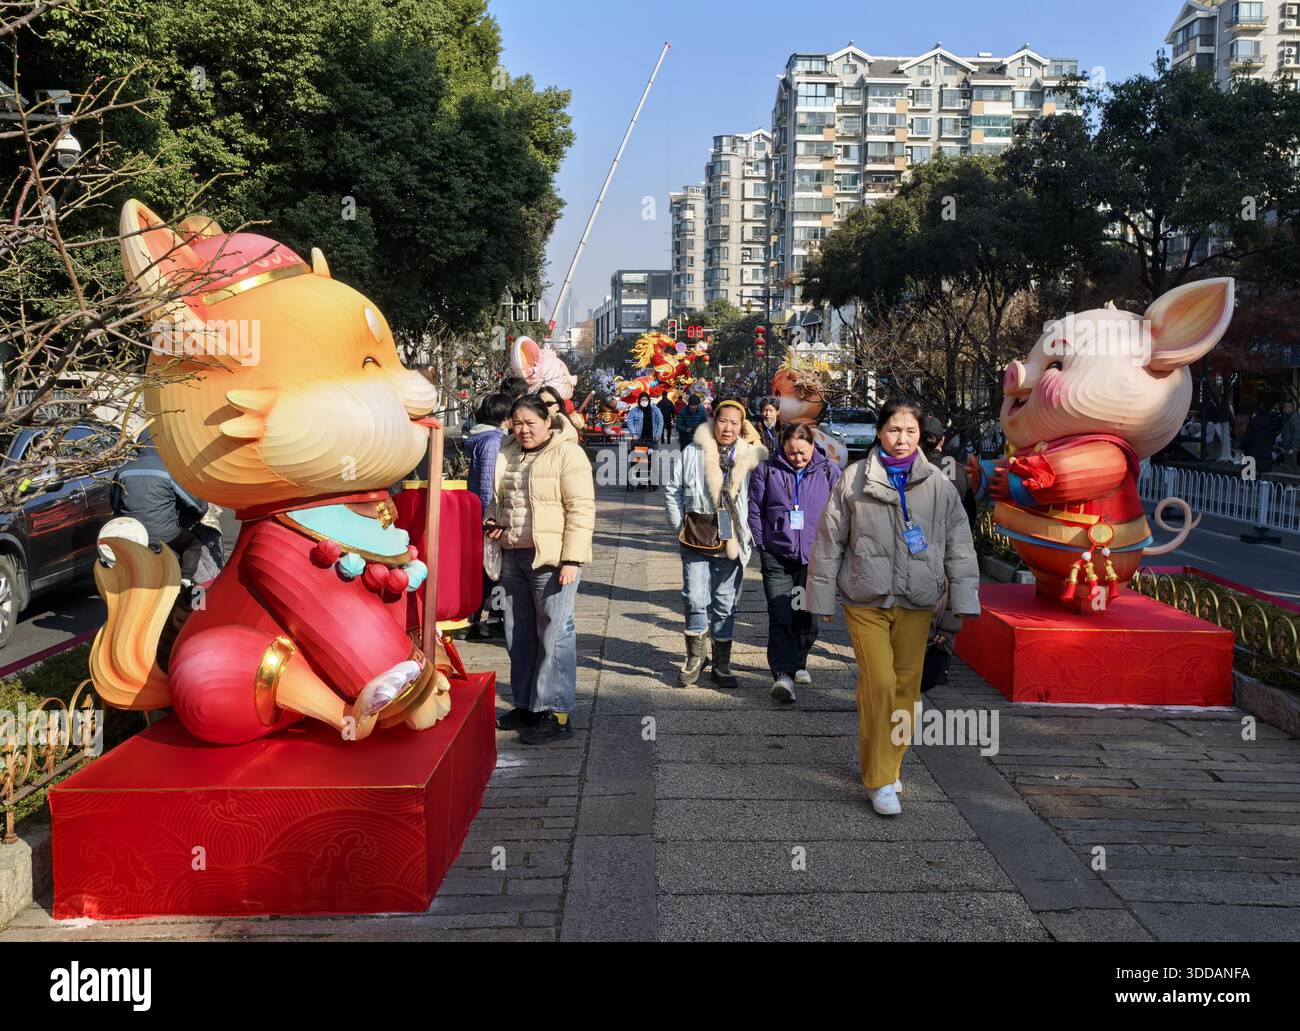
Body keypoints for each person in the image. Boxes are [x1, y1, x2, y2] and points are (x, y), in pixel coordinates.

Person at [808, 399, 979, 816]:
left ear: (921, 436)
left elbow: (960, 544)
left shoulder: (939, 485)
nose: (901, 439)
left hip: (918, 600)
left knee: (905, 689)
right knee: (880, 681)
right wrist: (821, 596)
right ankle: (880, 779)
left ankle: (888, 764)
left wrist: (963, 599)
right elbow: (830, 540)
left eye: (910, 431)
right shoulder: (854, 479)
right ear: (880, 432)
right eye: (894, 430)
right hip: (866, 598)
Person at [484, 395, 595, 744]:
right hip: (514, 554)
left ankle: (556, 712)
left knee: (555, 633)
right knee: (519, 634)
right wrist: (493, 522)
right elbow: (500, 500)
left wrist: (572, 559)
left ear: (548, 422)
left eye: (530, 423)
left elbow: (581, 508)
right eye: (517, 422)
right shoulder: (508, 451)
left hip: (551, 559)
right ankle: (527, 704)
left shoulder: (567, 453)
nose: (523, 429)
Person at [664, 398, 768, 688]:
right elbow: (672, 491)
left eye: (735, 422)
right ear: (714, 420)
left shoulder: (751, 456)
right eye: (724, 420)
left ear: (742, 425)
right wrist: (679, 526)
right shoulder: (693, 451)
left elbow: (759, 498)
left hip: (731, 538)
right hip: (696, 535)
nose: (728, 427)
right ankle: (696, 656)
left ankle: (722, 662)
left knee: (725, 603)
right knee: (695, 597)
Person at [748, 423, 841, 703]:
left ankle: (799, 660)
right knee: (781, 614)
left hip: (814, 558)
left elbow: (841, 512)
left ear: (813, 445)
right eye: (790, 453)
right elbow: (755, 507)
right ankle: (783, 675)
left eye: (802, 452)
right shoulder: (767, 469)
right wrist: (762, 544)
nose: (797, 458)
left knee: (807, 617)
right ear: (782, 448)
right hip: (777, 555)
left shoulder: (828, 471)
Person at [111, 428, 220, 586]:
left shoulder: (122, 472)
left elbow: (114, 504)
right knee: (193, 544)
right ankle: (187, 578)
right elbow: (195, 504)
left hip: (131, 536)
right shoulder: (169, 471)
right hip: (166, 535)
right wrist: (203, 504)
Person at [464, 392, 512, 640]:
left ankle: (482, 616)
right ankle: (489, 618)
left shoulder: (478, 436)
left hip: (477, 510)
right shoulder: (494, 440)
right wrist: (488, 517)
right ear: (505, 415)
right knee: (493, 569)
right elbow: (488, 482)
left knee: (488, 568)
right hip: (487, 512)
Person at [625, 392, 664, 491]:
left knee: (653, 461)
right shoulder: (634, 411)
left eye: (646, 400)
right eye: (642, 400)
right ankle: (641, 482)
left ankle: (654, 482)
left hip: (652, 440)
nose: (644, 402)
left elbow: (660, 421)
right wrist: (633, 434)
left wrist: (658, 434)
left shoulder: (655, 410)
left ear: (649, 400)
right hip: (639, 440)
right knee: (639, 461)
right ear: (639, 401)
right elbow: (629, 422)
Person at [1242, 403, 1281, 475]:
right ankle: (1263, 484)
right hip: (1265, 452)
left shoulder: (1253, 422)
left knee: (1248, 476)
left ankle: (1247, 485)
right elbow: (1272, 437)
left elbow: (1247, 437)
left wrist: (1242, 447)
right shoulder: (1269, 422)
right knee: (1264, 478)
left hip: (1252, 451)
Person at [1278, 398, 1300, 473]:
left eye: (1286, 407)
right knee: (1288, 468)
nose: (1284, 409)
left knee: (1291, 469)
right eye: (1284, 407)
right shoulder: (1287, 418)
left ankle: (1292, 484)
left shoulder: (1294, 418)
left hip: (1291, 449)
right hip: (1287, 448)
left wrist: (1294, 448)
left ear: (1291, 408)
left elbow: (1297, 433)